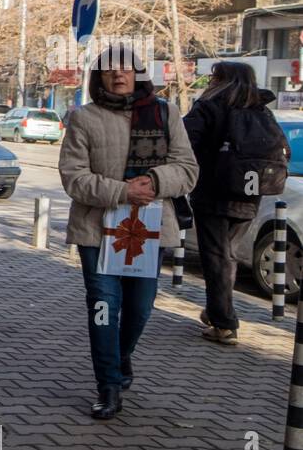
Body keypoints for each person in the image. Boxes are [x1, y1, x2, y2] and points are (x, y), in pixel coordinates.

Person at [59, 44, 198, 419]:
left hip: (149, 229)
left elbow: (187, 169)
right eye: (109, 70)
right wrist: (123, 191)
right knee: (104, 306)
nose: (118, 75)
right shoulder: (83, 118)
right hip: (96, 231)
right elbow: (73, 178)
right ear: (99, 76)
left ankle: (121, 356)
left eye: (126, 69)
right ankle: (108, 384)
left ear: (139, 73)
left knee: (140, 308)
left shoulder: (165, 113)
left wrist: (152, 181)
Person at [184, 61, 282, 345]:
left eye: (214, 76)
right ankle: (217, 310)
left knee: (216, 257)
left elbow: (184, 141)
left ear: (223, 80)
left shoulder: (210, 106)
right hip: (250, 194)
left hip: (214, 192)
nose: (210, 81)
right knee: (227, 255)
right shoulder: (262, 110)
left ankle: (225, 324)